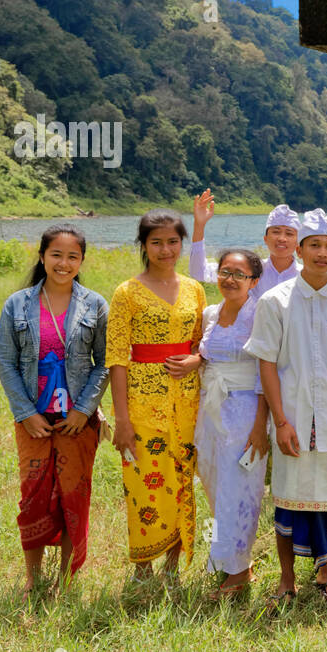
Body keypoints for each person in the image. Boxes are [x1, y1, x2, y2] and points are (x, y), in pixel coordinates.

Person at [245, 209, 327, 602]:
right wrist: (280, 421)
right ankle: (286, 578)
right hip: (295, 418)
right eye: (315, 245)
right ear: (299, 249)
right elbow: (266, 363)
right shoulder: (275, 301)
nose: (322, 254)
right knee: (289, 498)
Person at [0, 225, 108, 593]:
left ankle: (67, 577)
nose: (63, 263)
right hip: (34, 421)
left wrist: (83, 409)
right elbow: (6, 363)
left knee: (73, 496)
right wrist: (26, 413)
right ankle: (33, 577)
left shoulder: (94, 305)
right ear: (42, 256)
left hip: (77, 421)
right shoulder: (17, 304)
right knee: (34, 498)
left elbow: (105, 363)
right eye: (56, 255)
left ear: (81, 261)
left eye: (72, 256)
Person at [107, 209, 206, 580]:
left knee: (182, 479)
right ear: (144, 246)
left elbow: (202, 344)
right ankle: (143, 567)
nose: (166, 250)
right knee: (143, 480)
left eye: (173, 242)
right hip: (142, 401)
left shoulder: (194, 289)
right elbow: (117, 358)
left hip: (188, 401)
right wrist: (121, 418)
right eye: (157, 242)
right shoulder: (126, 293)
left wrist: (195, 360)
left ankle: (172, 567)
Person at [196, 248, 270, 599]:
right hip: (210, 409)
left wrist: (260, 426)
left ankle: (237, 574)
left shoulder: (260, 315)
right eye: (225, 271)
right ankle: (231, 562)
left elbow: (265, 373)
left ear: (254, 281)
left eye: (239, 274)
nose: (230, 279)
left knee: (239, 489)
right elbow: (207, 359)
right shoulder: (211, 312)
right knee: (213, 484)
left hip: (244, 412)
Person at [190, 194, 302, 295]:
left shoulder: (305, 275)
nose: (282, 238)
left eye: (289, 233)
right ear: (266, 239)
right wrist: (199, 225)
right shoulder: (251, 269)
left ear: (297, 242)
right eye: (276, 232)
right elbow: (199, 272)